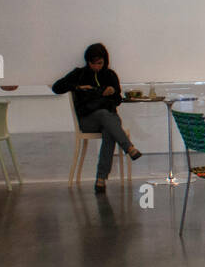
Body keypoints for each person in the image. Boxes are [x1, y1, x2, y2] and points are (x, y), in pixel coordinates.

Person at [52, 43, 140, 192]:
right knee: (105, 115)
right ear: (88, 62)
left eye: (99, 63)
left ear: (105, 61)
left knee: (109, 130)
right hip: (88, 120)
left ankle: (100, 180)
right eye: (93, 63)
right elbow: (57, 87)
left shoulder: (110, 75)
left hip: (110, 118)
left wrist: (112, 92)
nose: (96, 67)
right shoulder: (79, 74)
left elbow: (118, 100)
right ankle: (128, 147)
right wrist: (78, 87)